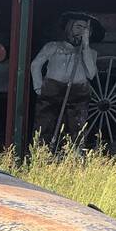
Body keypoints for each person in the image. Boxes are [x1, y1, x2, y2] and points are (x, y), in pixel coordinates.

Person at [31, 13, 99, 146]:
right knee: (45, 124)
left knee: (76, 128)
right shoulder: (53, 47)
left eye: (86, 29)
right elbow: (35, 65)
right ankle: (42, 153)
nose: (81, 31)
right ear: (69, 28)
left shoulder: (90, 53)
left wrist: (85, 46)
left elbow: (91, 74)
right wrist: (38, 87)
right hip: (52, 92)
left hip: (77, 95)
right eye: (78, 27)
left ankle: (73, 156)